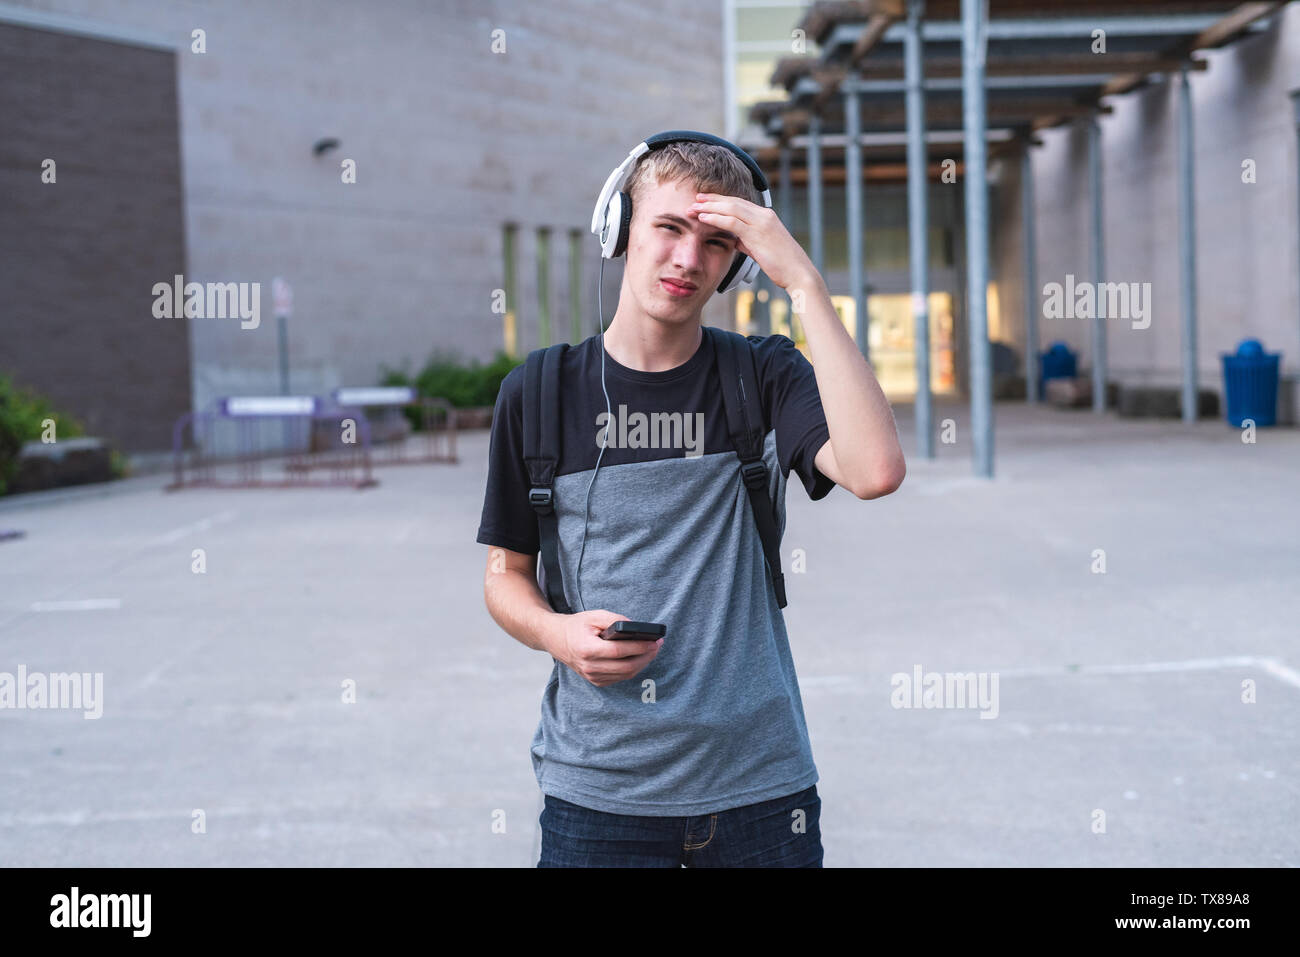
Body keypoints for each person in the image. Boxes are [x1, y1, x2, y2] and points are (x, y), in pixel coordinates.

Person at [476, 132, 906, 867]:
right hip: (598, 797)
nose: (686, 259)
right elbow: (505, 577)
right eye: (668, 227)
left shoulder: (762, 375)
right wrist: (558, 635)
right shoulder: (539, 393)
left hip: (760, 793)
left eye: (715, 241)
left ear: (739, 262)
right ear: (618, 230)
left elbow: (874, 469)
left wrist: (805, 284)